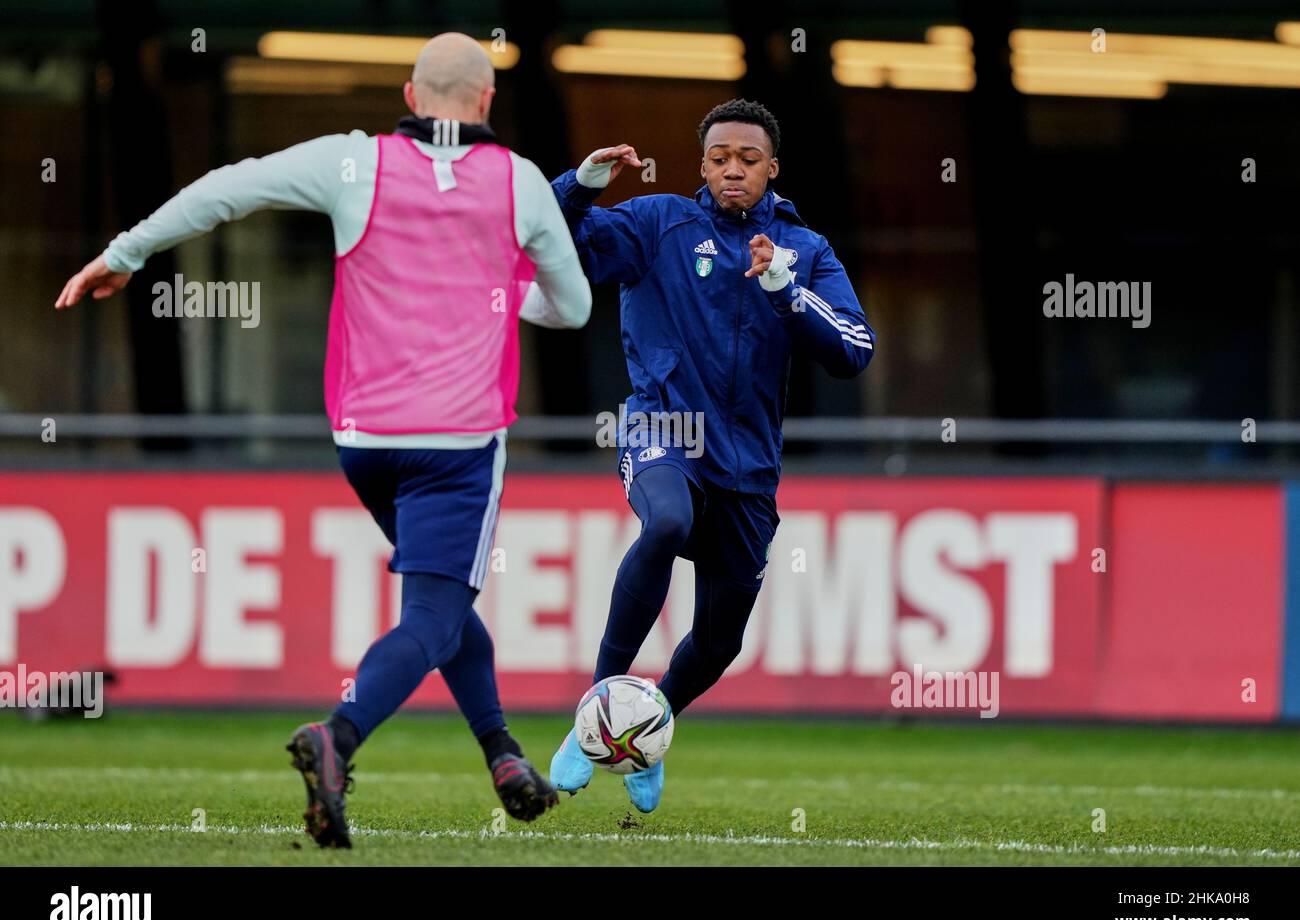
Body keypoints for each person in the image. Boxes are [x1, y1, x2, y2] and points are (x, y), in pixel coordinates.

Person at [55, 32, 591, 847]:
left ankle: (503, 754)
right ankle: (337, 739)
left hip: (365, 438)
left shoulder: (352, 162)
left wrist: (125, 252)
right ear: (487, 102)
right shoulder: (519, 183)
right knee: (440, 611)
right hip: (459, 444)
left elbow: (229, 190)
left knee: (440, 605)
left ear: (411, 97)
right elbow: (575, 307)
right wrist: (498, 290)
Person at [547, 98, 874, 813]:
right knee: (663, 522)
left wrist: (786, 290)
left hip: (748, 466)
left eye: (748, 160)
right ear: (702, 165)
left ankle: (648, 726)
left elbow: (855, 350)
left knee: (721, 639)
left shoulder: (806, 251)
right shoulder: (658, 224)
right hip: (664, 428)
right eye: (720, 157)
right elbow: (540, 234)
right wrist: (580, 185)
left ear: (772, 169)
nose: (733, 170)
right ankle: (596, 713)